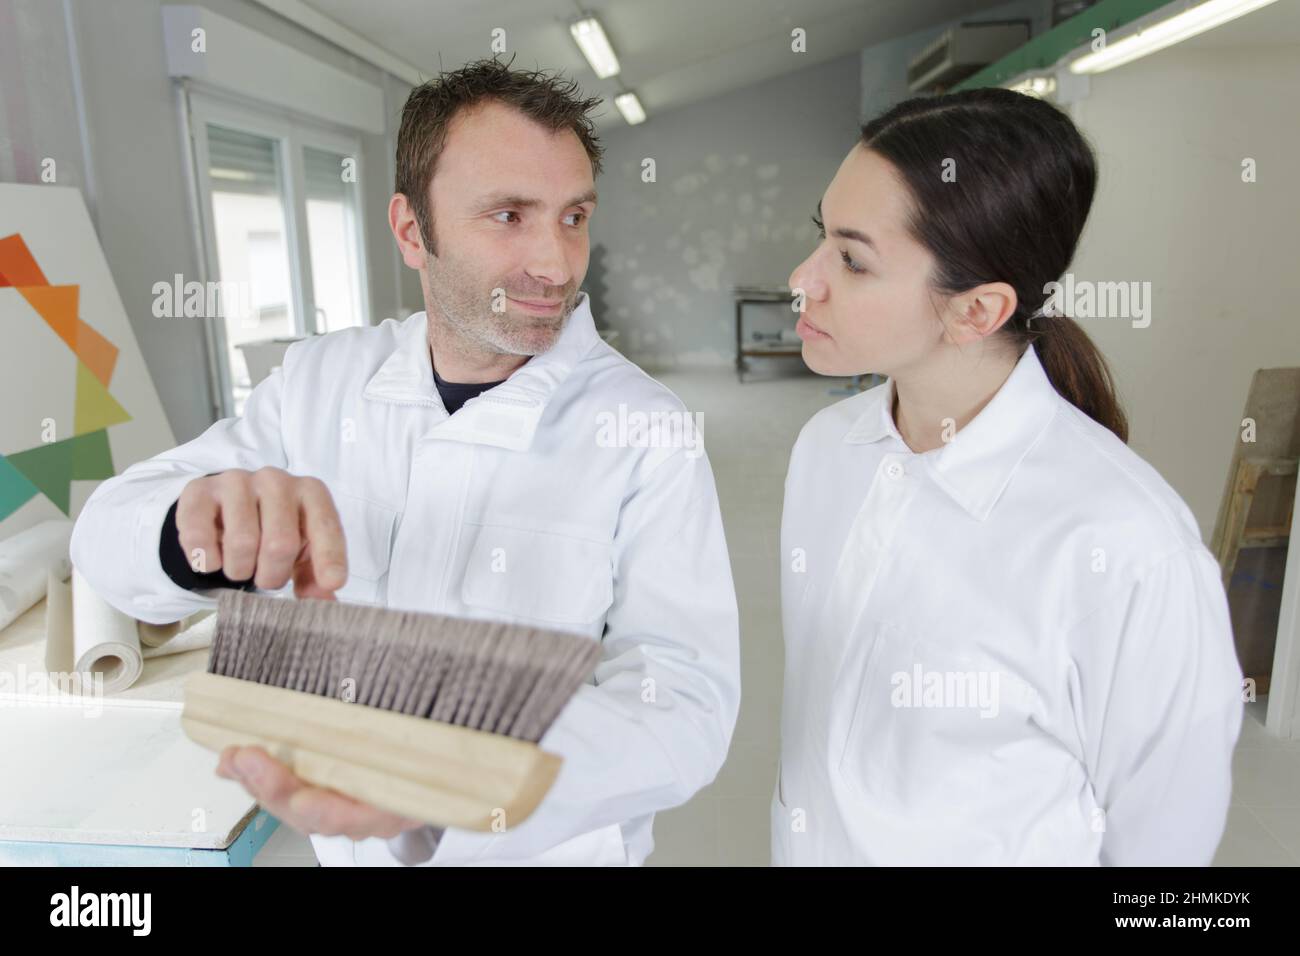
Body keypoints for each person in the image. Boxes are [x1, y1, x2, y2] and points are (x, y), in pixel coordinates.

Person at [70, 58, 740, 867]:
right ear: (411, 230)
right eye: (508, 215)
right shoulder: (318, 382)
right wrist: (195, 530)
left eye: (572, 217)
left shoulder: (646, 430)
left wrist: (444, 777)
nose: (557, 264)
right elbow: (104, 534)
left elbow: (684, 706)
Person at [774, 87, 1243, 866]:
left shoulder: (1128, 547)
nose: (803, 278)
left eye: (852, 260)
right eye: (820, 236)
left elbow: (1167, 854)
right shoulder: (828, 450)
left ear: (977, 311)